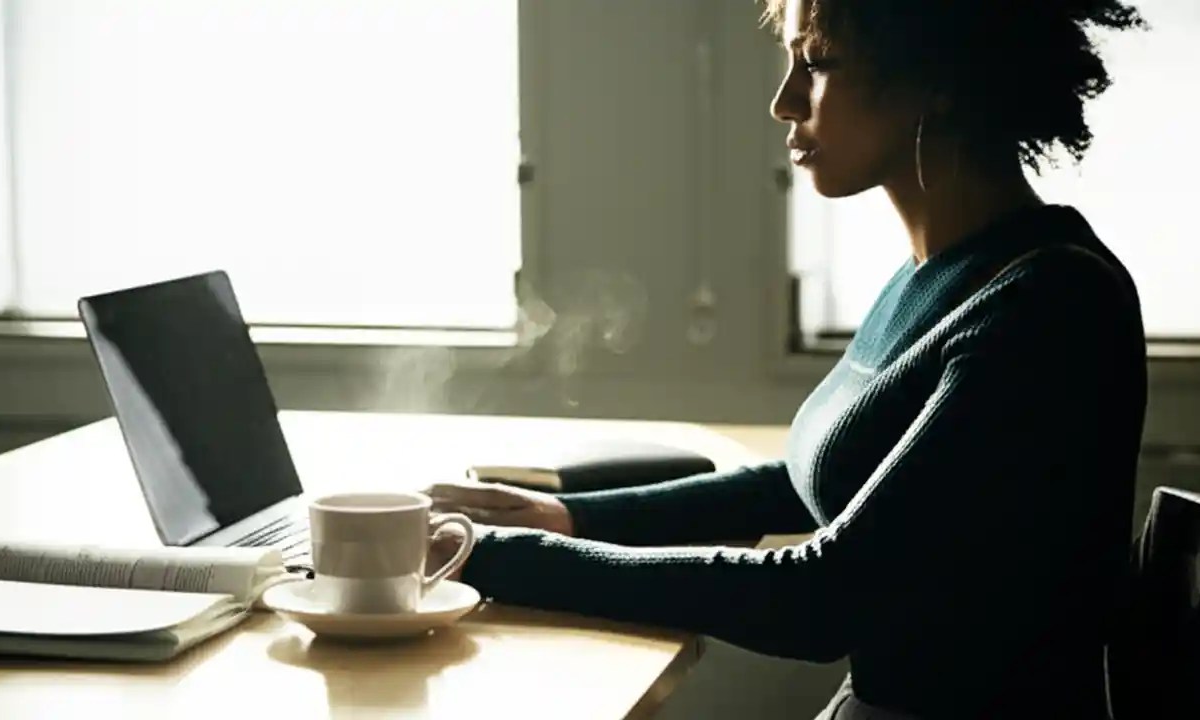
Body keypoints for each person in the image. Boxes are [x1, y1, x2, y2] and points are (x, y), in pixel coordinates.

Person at [426, 0, 1150, 717]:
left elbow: (820, 599)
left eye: (821, 62)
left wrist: (494, 557)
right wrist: (562, 517)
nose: (784, 101)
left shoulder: (1047, 303)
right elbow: (814, 476)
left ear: (941, 77)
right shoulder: (942, 273)